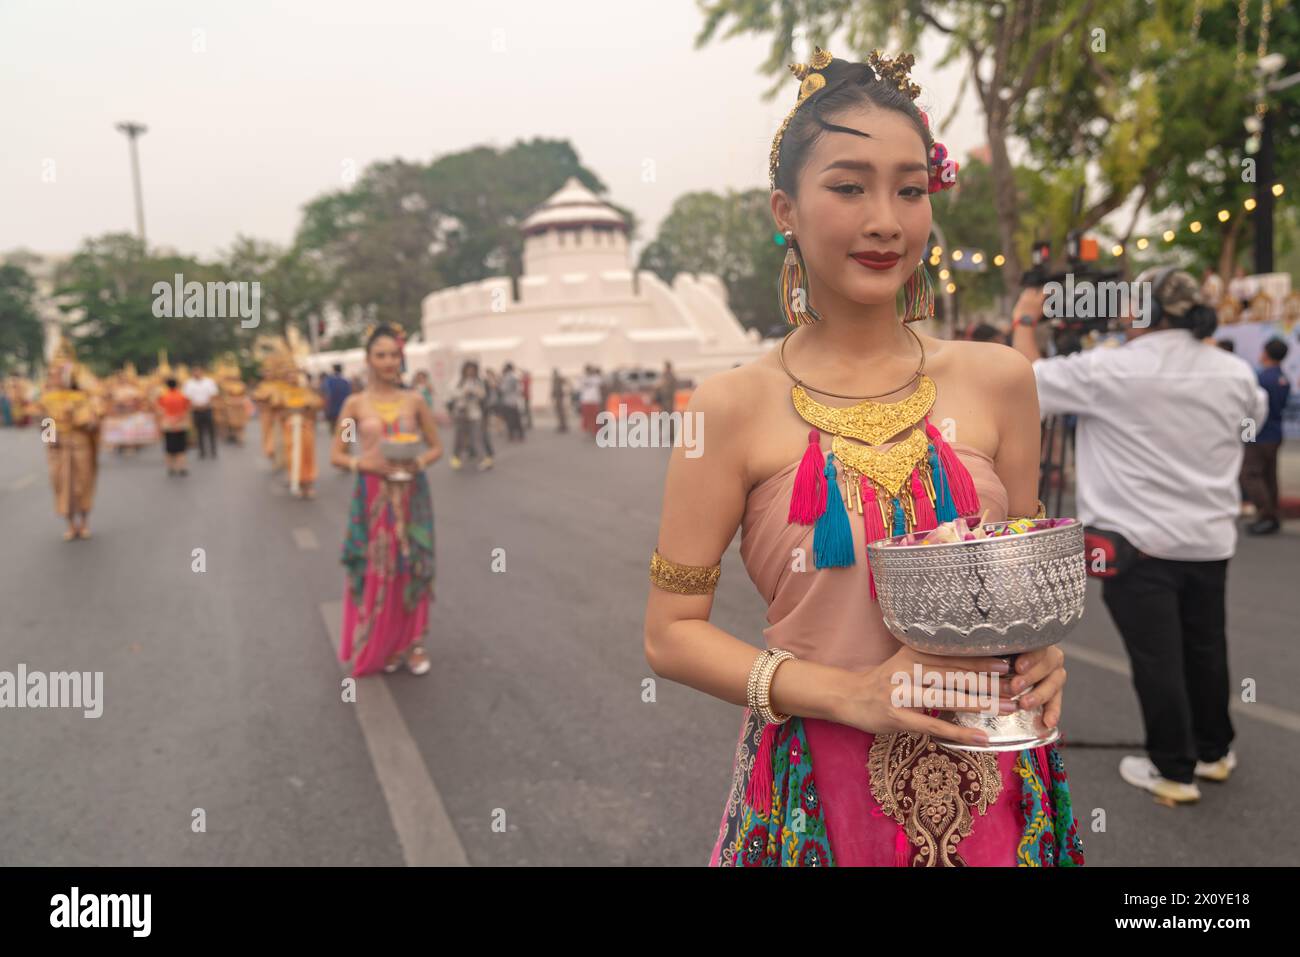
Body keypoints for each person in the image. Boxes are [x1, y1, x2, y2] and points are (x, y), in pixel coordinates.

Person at [644, 48, 1081, 867]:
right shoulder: (730, 408)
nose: (886, 220)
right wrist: (849, 693)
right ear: (785, 208)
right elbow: (671, 635)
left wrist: (1043, 655)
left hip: (994, 785)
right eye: (849, 187)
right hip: (819, 798)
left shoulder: (999, 380)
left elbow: (1017, 591)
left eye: (910, 189)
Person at [1012, 267, 1268, 803]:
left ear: (1141, 311)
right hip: (1209, 541)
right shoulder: (1234, 371)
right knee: (1206, 648)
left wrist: (1027, 318)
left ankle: (1173, 770)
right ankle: (1214, 752)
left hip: (1138, 545)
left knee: (1158, 659)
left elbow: (1021, 380)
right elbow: (1254, 416)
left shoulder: (1110, 368)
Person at [329, 325, 442, 676]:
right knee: (380, 564)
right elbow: (337, 454)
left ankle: (414, 642)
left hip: (411, 494)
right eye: (381, 355)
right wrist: (363, 464)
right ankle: (388, 641)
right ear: (368, 360)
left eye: (394, 354)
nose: (389, 361)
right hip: (373, 495)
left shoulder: (414, 401)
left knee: (412, 563)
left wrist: (416, 464)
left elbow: (435, 447)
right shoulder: (355, 405)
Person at [36, 348, 100, 540]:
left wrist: (87, 420)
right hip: (59, 447)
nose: (56, 377)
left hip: (80, 444)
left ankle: (84, 522)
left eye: (60, 373)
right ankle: (71, 525)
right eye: (53, 374)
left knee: (83, 483)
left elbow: (93, 422)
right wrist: (51, 437)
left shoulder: (83, 397)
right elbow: (43, 421)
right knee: (62, 485)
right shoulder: (47, 398)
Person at [1241, 337, 1292, 535]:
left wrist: (1246, 436)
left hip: (1259, 434)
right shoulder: (1282, 378)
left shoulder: (1262, 379)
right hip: (1275, 433)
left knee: (1250, 474)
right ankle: (1273, 516)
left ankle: (1266, 515)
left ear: (1266, 353)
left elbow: (1252, 409)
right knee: (1269, 476)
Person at [448, 360, 493, 471]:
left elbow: (483, 394)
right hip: (461, 413)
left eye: (473, 370)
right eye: (468, 369)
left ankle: (483, 459)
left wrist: (475, 392)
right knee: (459, 438)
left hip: (475, 413)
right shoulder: (458, 381)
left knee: (477, 437)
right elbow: (452, 393)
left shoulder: (478, 381)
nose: (470, 372)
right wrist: (464, 392)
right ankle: (456, 458)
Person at [156, 377, 192, 477]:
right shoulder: (182, 396)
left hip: (168, 424)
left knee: (169, 447)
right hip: (181, 424)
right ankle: (182, 467)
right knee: (181, 447)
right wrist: (179, 418)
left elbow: (160, 410)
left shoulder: (163, 397)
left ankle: (171, 467)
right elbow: (187, 409)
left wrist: (167, 420)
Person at [183, 365, 220, 460]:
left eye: (198, 371)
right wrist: (195, 406)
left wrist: (206, 405)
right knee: (199, 431)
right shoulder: (189, 383)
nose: (197, 374)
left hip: (207, 408)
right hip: (196, 409)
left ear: (202, 372)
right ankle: (202, 451)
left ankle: (213, 449)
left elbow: (213, 395)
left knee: (211, 430)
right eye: (195, 372)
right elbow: (187, 397)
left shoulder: (209, 382)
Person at [320, 362, 352, 435]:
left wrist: (325, 410)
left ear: (333, 369)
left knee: (333, 432)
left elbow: (325, 395)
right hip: (345, 409)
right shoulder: (346, 381)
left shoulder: (328, 381)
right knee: (345, 433)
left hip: (332, 410)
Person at [499, 362, 525, 441]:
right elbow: (519, 389)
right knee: (516, 419)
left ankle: (512, 435)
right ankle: (520, 435)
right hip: (514, 400)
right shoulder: (514, 376)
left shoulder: (508, 377)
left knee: (511, 419)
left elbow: (503, 389)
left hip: (509, 401)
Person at [578, 365, 603, 437]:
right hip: (586, 401)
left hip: (594, 401)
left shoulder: (596, 378)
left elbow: (601, 382)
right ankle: (589, 431)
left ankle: (595, 431)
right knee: (587, 418)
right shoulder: (583, 378)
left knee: (595, 417)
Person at [550, 368, 569, 432]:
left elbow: (567, 382)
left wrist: (566, 392)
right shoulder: (555, 379)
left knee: (561, 412)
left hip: (560, 397)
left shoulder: (559, 378)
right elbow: (554, 389)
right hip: (557, 397)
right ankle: (561, 425)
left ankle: (563, 425)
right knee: (558, 412)